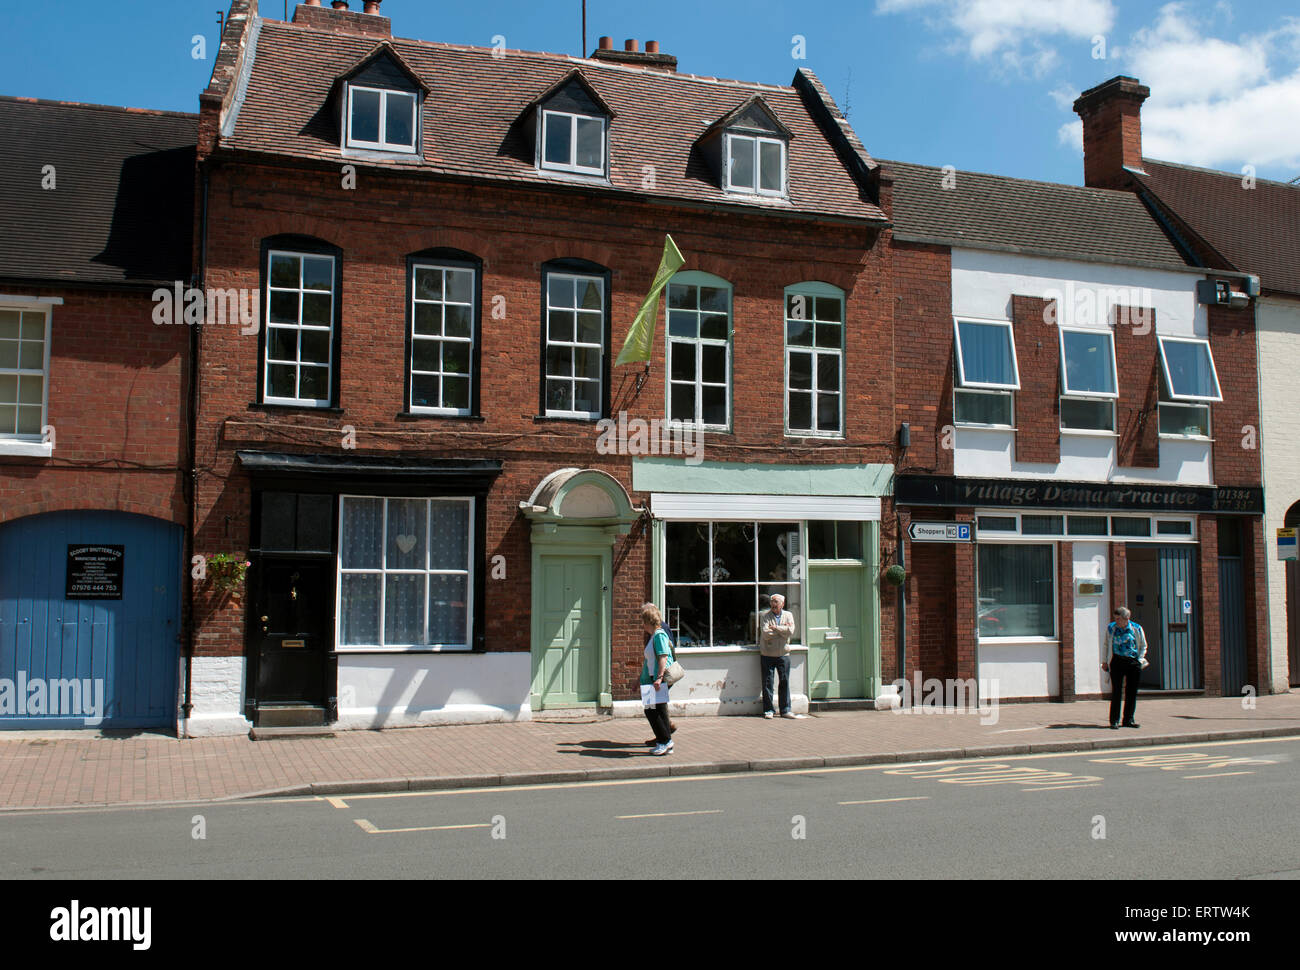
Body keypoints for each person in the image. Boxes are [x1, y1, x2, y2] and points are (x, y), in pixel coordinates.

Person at [759, 593, 804, 719]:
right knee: (768, 682)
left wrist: (776, 628)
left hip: (783, 654)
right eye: (772, 602)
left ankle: (785, 710)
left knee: (784, 681)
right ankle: (768, 710)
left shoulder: (788, 615)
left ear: (782, 604)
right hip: (767, 653)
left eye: (776, 602)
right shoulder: (764, 616)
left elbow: (791, 631)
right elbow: (766, 633)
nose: (773, 604)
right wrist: (782, 631)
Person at [1102, 606, 1148, 729]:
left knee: (1131, 692)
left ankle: (1128, 719)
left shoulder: (1136, 629)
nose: (1116, 621)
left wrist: (1139, 660)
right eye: (1115, 618)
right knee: (1117, 691)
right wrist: (1104, 661)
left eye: (1119, 619)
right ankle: (1114, 720)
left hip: (1133, 662)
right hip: (1117, 661)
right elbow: (1106, 645)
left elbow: (1143, 645)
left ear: (1126, 618)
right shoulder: (1111, 628)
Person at [639, 603, 675, 755]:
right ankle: (666, 741)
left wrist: (659, 678)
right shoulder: (654, 635)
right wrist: (638, 679)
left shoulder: (659, 635)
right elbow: (649, 661)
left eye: (644, 621)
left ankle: (664, 741)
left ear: (648, 621)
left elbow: (662, 657)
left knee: (654, 711)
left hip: (656, 680)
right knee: (655, 710)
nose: (643, 625)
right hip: (650, 679)